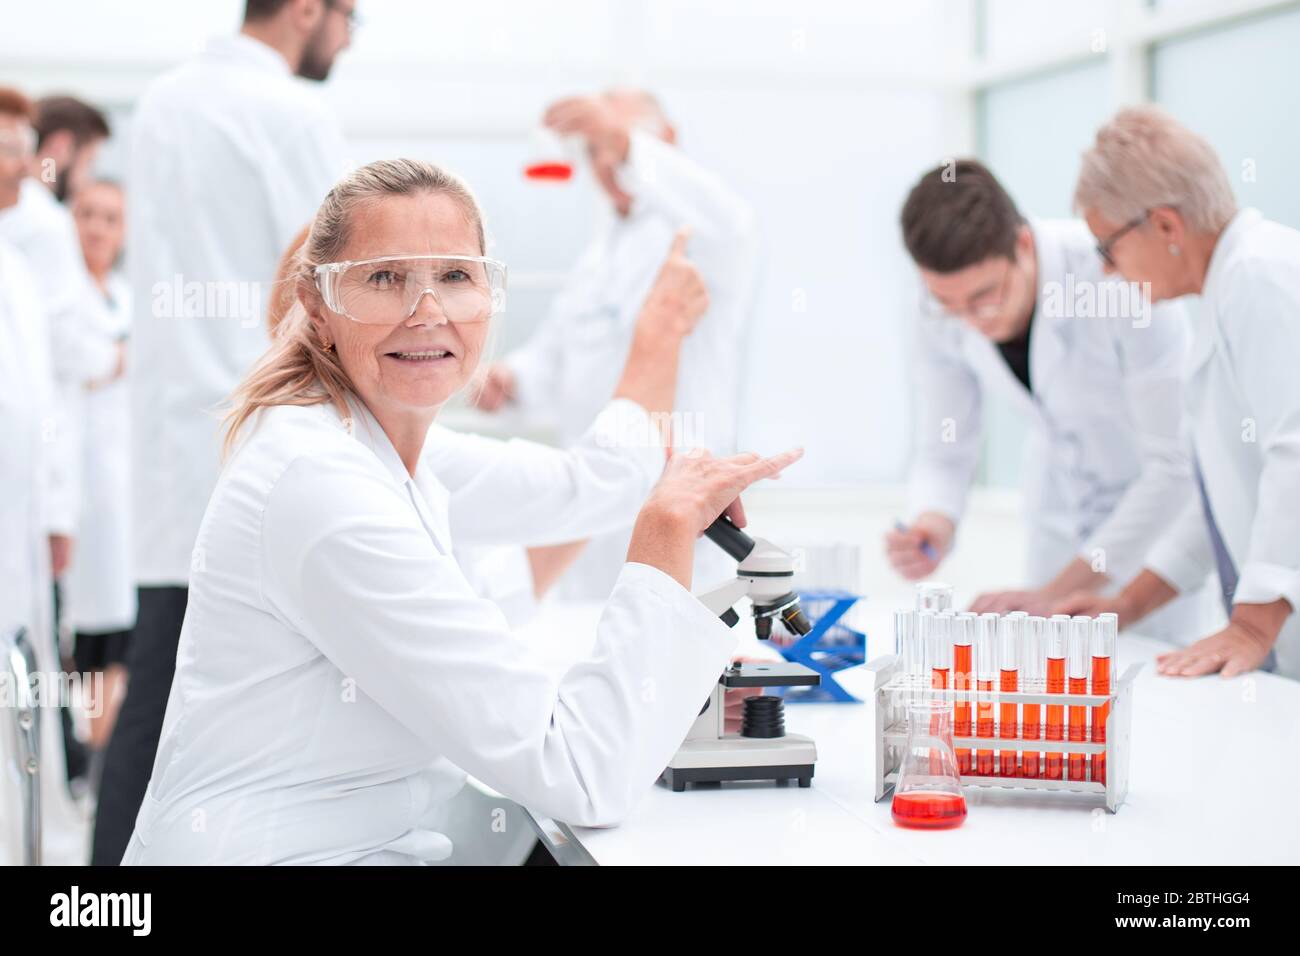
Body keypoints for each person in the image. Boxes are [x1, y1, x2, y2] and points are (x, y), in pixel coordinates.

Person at [120, 158, 800, 864]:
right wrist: (662, 535)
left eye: (454, 276)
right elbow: (583, 771)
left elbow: (588, 486)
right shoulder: (322, 485)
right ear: (317, 308)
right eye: (385, 277)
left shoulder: (388, 442)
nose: (428, 311)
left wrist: (660, 347)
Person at [94, 0, 355, 865]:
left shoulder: (165, 101)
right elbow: (336, 267)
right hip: (260, 425)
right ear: (308, 10)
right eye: (349, 17)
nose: (348, 39)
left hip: (177, 440)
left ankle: (103, 894)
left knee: (162, 676)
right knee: (239, 694)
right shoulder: (293, 111)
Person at [886, 159, 1200, 630]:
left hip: (1154, 543)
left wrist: (1054, 593)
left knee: (1156, 687)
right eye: (950, 304)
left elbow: (1174, 465)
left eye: (985, 297)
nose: (971, 319)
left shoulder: (1118, 274)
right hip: (1056, 523)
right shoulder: (938, 306)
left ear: (1024, 245)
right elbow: (945, 447)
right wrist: (936, 519)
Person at [473, 89, 759, 600]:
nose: (607, 165)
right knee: (585, 646)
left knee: (677, 648)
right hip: (590, 513)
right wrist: (511, 381)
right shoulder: (599, 253)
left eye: (621, 146)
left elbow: (731, 221)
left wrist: (623, 142)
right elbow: (557, 359)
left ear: (667, 143)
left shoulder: (705, 235)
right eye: (597, 151)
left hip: (675, 501)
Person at [1057, 106, 1300, 680]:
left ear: (1166, 226)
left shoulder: (1262, 278)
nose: (1110, 272)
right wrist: (1127, 606)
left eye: (1107, 247)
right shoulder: (1231, 289)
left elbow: (1296, 455)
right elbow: (1223, 495)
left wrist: (1253, 625)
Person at [0, 86, 87, 866]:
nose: (20, 160)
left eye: (23, 142)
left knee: (20, 690)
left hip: (17, 521)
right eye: (5, 144)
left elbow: (51, 392)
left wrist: (56, 509)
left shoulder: (21, 264)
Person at [68, 179, 134, 777]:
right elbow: (81, 363)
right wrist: (120, 358)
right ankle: (86, 756)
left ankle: (99, 759)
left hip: (122, 492)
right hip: (73, 489)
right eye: (87, 214)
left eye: (110, 217)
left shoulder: (125, 296)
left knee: (118, 629)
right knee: (84, 630)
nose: (97, 228)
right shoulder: (62, 295)